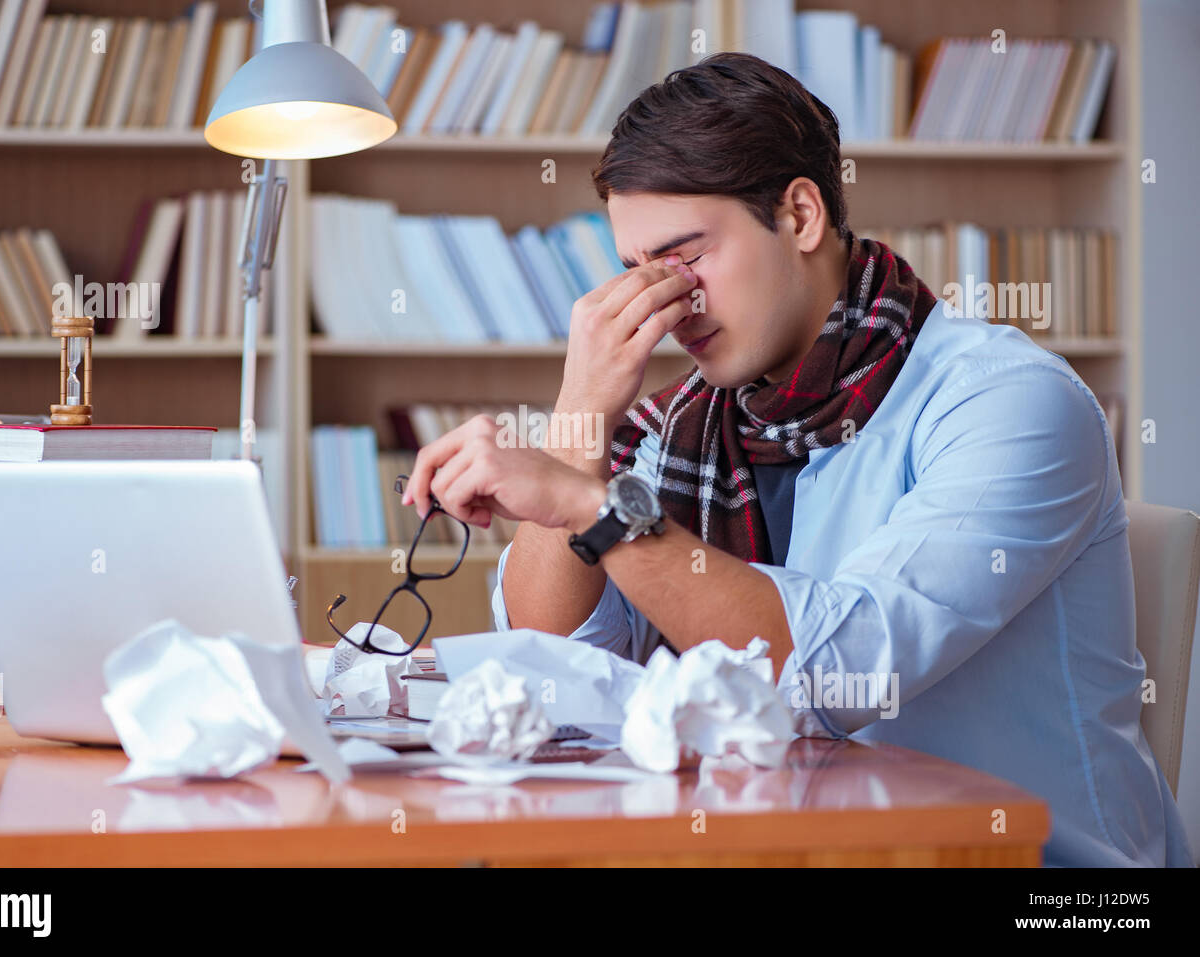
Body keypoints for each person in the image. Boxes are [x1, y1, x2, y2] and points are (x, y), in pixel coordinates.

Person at [400, 53, 1193, 867]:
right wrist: (576, 423)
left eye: (685, 259)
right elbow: (557, 661)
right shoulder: (687, 426)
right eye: (638, 274)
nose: (666, 306)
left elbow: (833, 670)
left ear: (802, 214)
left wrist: (587, 507)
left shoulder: (1009, 402)